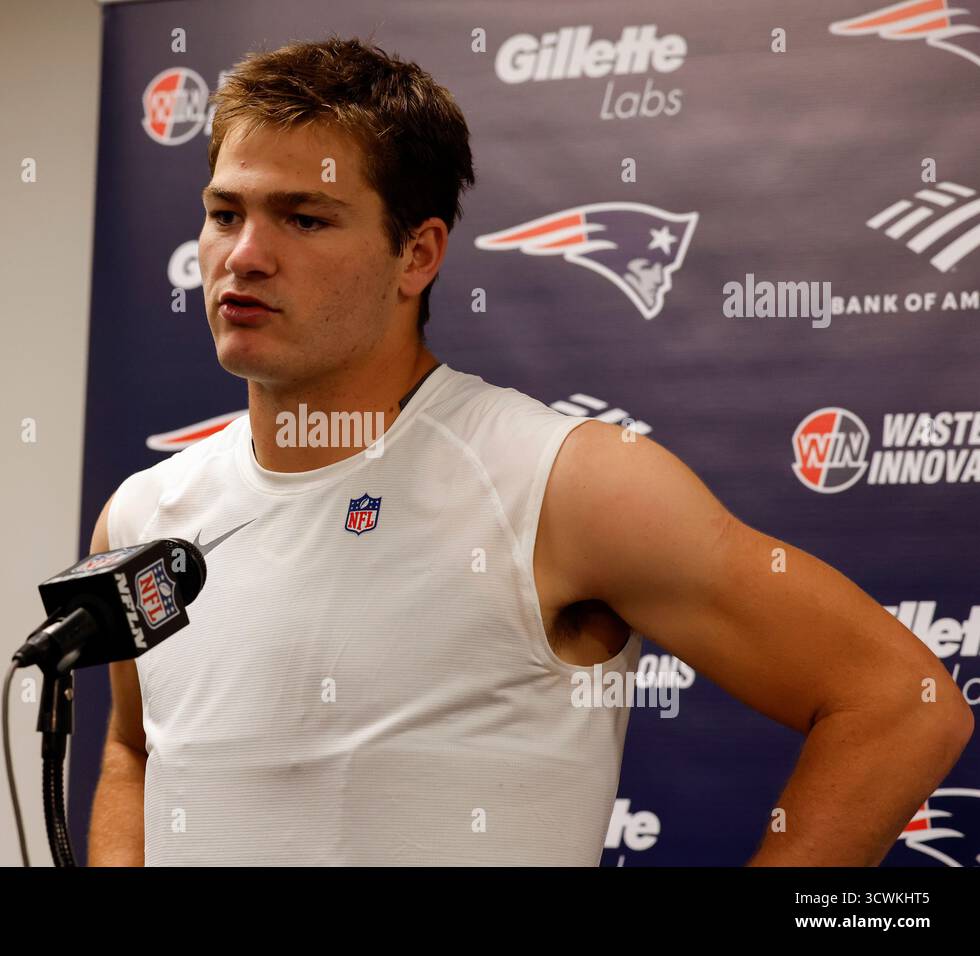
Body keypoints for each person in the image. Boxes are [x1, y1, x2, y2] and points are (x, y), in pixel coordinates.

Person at [87, 36, 972, 865]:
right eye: (223, 212)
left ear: (417, 254)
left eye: (305, 218)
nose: (243, 255)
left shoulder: (566, 482)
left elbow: (899, 705)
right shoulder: (142, 515)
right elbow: (133, 748)